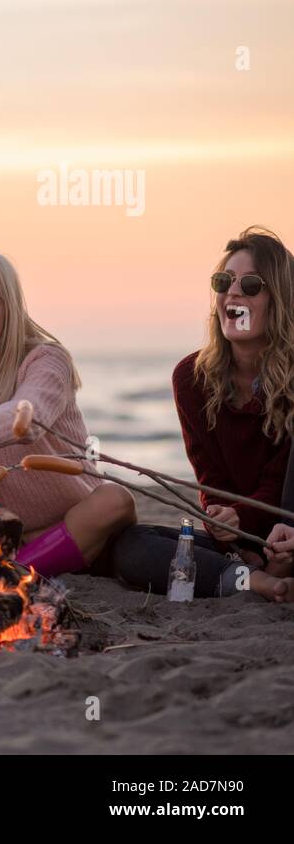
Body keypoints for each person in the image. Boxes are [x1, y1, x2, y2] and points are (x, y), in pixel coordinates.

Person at [0, 248, 136, 577]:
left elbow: (29, 417)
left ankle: (13, 575)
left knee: (115, 498)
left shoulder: (46, 359)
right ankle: (15, 565)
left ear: (11, 308)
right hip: (8, 529)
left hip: (77, 519)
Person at [112, 227, 293, 601]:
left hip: (288, 529)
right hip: (242, 545)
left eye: (252, 285)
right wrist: (222, 522)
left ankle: (265, 573)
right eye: (224, 281)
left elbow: (281, 483)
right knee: (133, 545)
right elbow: (210, 480)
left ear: (281, 299)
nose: (233, 292)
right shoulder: (191, 378)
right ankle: (252, 579)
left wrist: (244, 519)